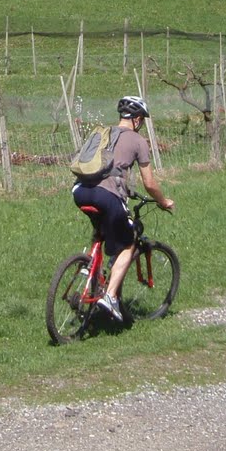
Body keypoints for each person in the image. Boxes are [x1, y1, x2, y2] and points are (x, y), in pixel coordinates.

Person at [71, 94, 174, 322]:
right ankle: (109, 297)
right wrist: (163, 201)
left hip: (80, 191)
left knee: (103, 229)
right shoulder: (138, 141)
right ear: (137, 120)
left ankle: (90, 269)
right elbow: (149, 183)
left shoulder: (103, 133)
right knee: (128, 243)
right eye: (142, 120)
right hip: (106, 195)